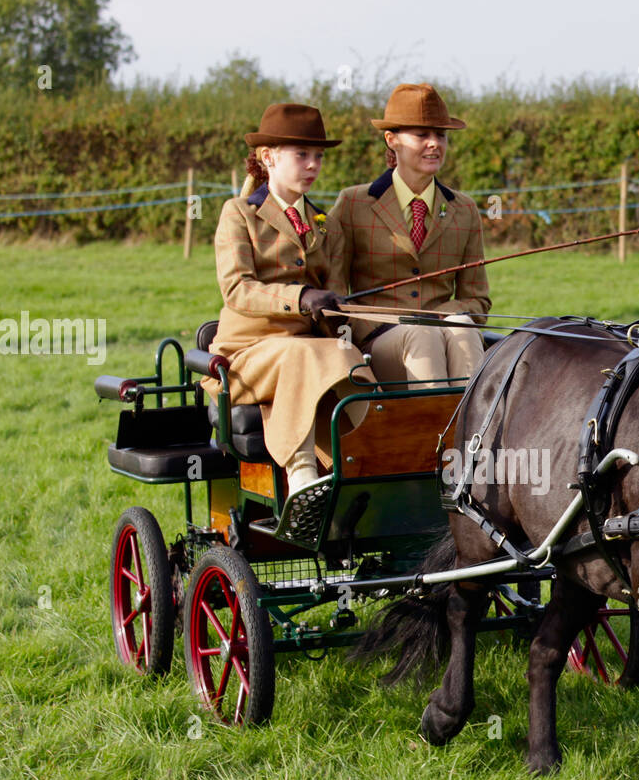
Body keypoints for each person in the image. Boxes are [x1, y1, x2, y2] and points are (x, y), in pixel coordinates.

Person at [205, 103, 370, 500]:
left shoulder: (324, 226)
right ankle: (302, 481)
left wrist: (336, 310)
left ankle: (368, 461)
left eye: (318, 156)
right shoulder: (238, 214)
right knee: (303, 354)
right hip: (245, 356)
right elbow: (237, 289)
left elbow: (332, 299)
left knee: (349, 356)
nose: (312, 165)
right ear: (268, 157)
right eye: (302, 155)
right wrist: (300, 296)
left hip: (306, 353)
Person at [326, 83, 489, 387]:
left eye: (440, 135)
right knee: (422, 333)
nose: (434, 144)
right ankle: (436, 430)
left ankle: (470, 432)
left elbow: (477, 299)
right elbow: (335, 296)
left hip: (445, 334)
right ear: (392, 140)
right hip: (375, 346)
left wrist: (448, 311)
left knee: (463, 327)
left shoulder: (465, 209)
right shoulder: (353, 204)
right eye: (421, 135)